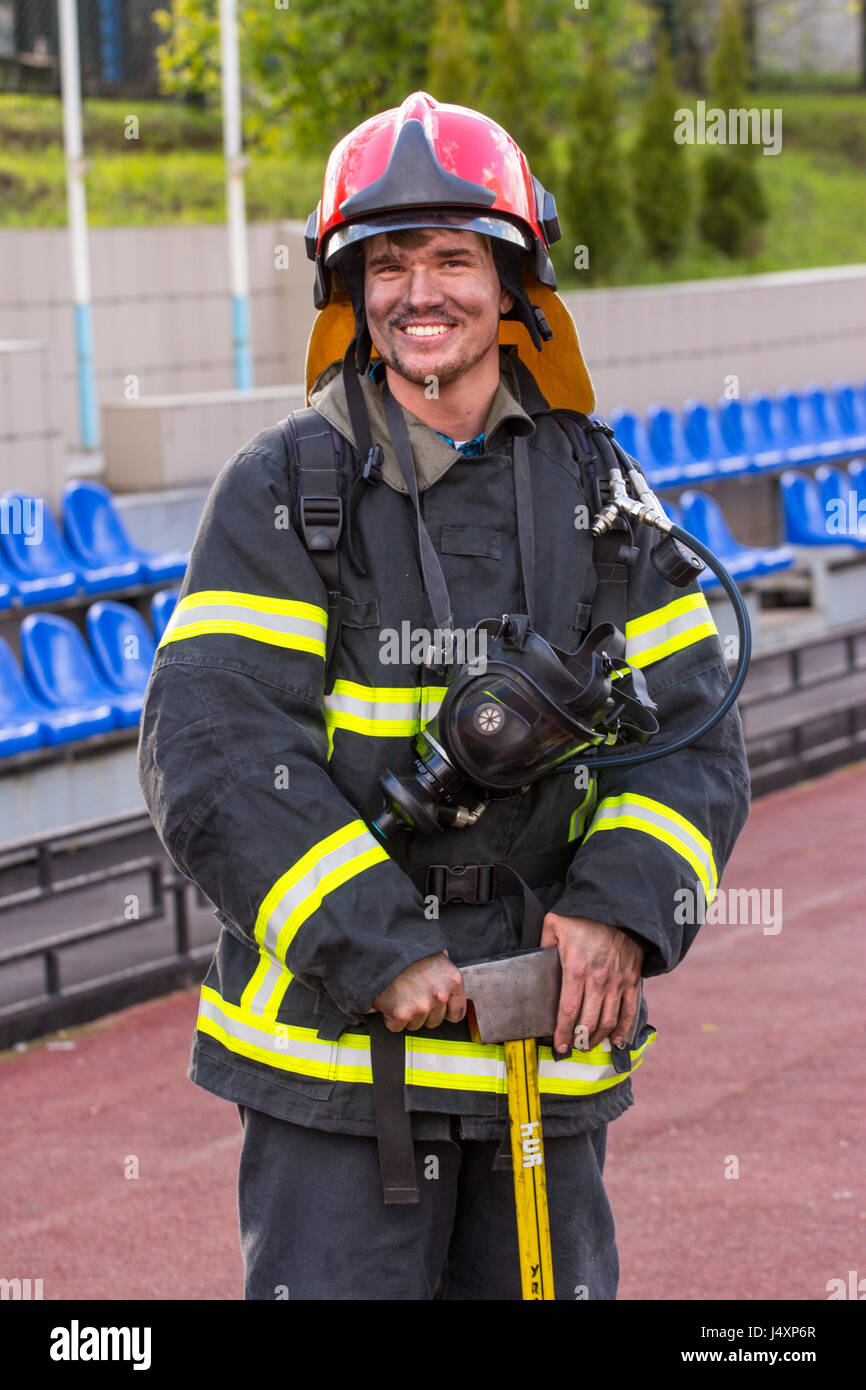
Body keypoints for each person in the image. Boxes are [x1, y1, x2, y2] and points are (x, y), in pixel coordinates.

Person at [138, 91, 750, 1301]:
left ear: (513, 280)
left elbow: (688, 731)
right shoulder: (283, 489)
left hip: (545, 1048)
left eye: (453, 258)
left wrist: (623, 908)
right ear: (351, 289)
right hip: (340, 1061)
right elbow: (211, 750)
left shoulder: (599, 484)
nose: (419, 290)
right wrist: (374, 945)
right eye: (388, 261)